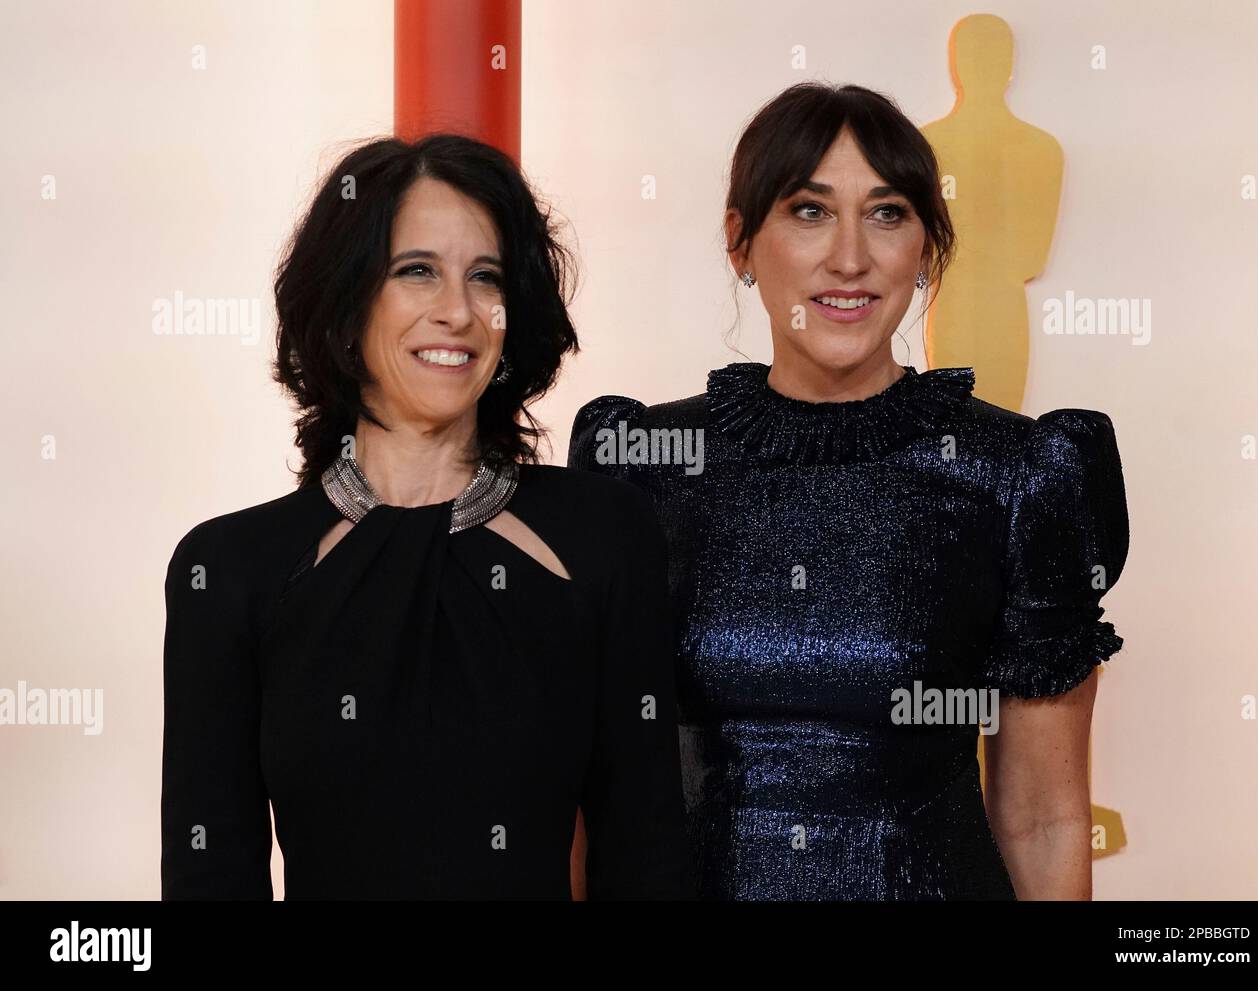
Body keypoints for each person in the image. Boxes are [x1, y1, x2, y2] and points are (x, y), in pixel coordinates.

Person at [568, 83, 1129, 900]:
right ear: (739, 241)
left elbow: (1044, 816)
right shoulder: (645, 464)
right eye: (808, 210)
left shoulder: (1019, 472)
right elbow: (592, 796)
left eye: (889, 213)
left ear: (926, 247)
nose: (850, 258)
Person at [162, 133, 692, 899]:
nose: (458, 312)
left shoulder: (604, 534)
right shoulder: (229, 569)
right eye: (417, 272)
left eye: (487, 278)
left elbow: (646, 855)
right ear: (347, 303)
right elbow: (211, 875)